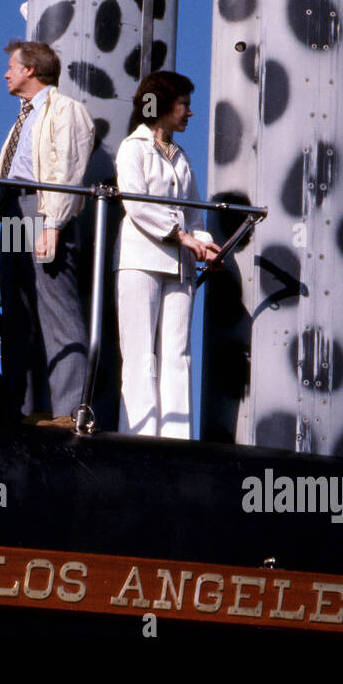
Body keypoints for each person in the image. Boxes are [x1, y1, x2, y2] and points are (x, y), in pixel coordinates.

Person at [116, 71, 223, 439]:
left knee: (178, 353)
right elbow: (136, 204)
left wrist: (203, 242)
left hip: (179, 265)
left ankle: (177, 435)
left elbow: (194, 211)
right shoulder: (132, 148)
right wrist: (183, 237)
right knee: (141, 349)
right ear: (162, 105)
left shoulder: (181, 157)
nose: (189, 113)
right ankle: (140, 433)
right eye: (184, 105)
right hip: (141, 260)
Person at [0, 40, 94, 425]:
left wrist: (52, 223)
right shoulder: (24, 116)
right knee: (17, 311)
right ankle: (27, 406)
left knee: (57, 308)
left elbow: (65, 170)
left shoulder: (66, 111)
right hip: (13, 210)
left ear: (30, 70)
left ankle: (71, 408)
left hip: (40, 208)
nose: (7, 73)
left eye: (11, 66)